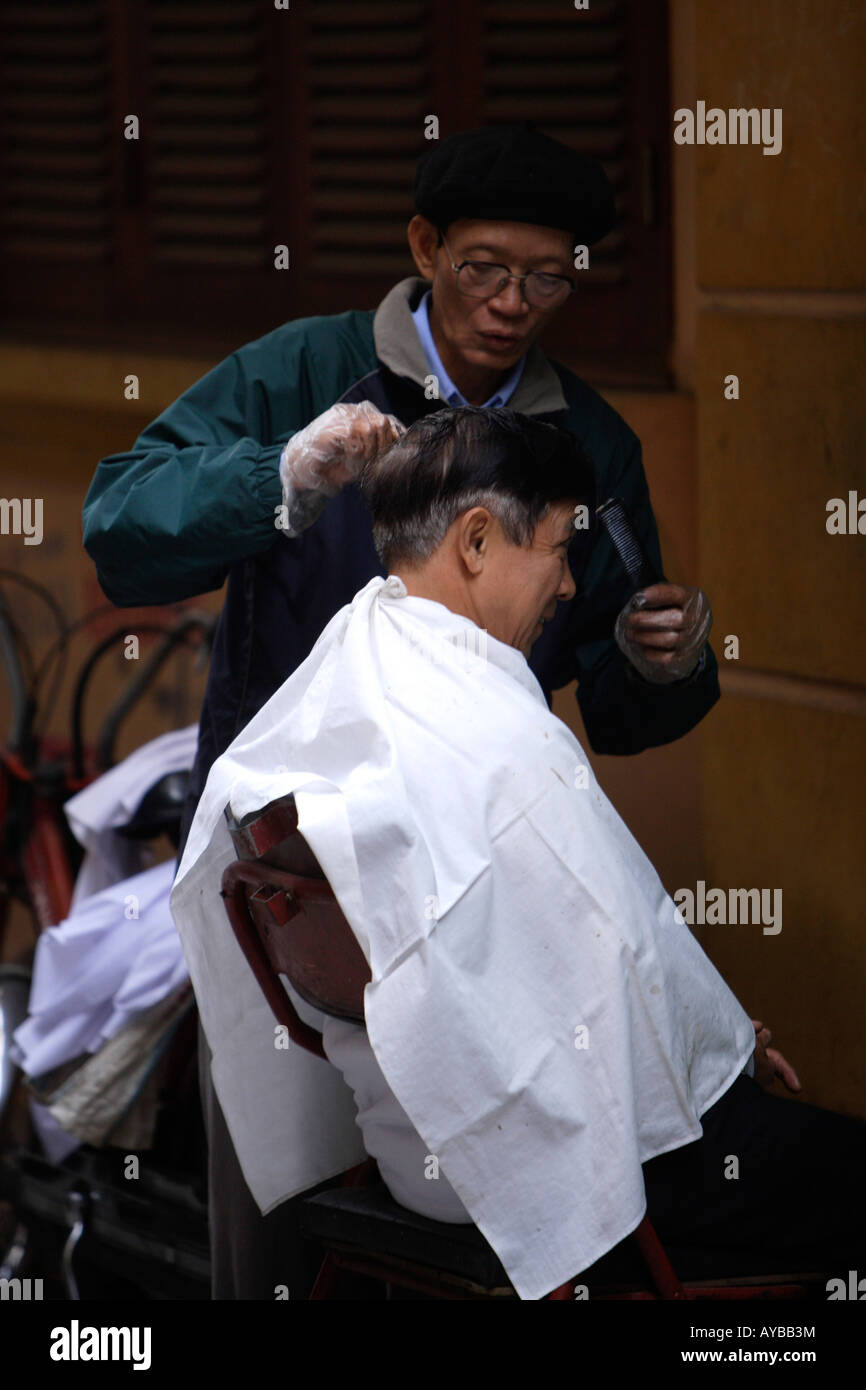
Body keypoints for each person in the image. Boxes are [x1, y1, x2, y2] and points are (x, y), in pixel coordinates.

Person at [84, 122, 718, 1298]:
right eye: (482, 267)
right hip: (289, 878)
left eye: (547, 275)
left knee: (478, 1199)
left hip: (466, 896)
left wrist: (659, 656)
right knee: (282, 1196)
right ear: (423, 246)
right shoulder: (302, 372)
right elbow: (119, 526)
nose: (512, 302)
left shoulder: (583, 442)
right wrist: (273, 477)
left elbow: (618, 701)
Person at [170, 407, 865, 1301]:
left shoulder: (345, 681)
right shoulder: (493, 740)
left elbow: (562, 960)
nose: (571, 586)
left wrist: (694, 1033)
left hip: (410, 1151)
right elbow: (616, 968)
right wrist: (715, 1049)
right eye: (557, 548)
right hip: (543, 1171)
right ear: (475, 541)